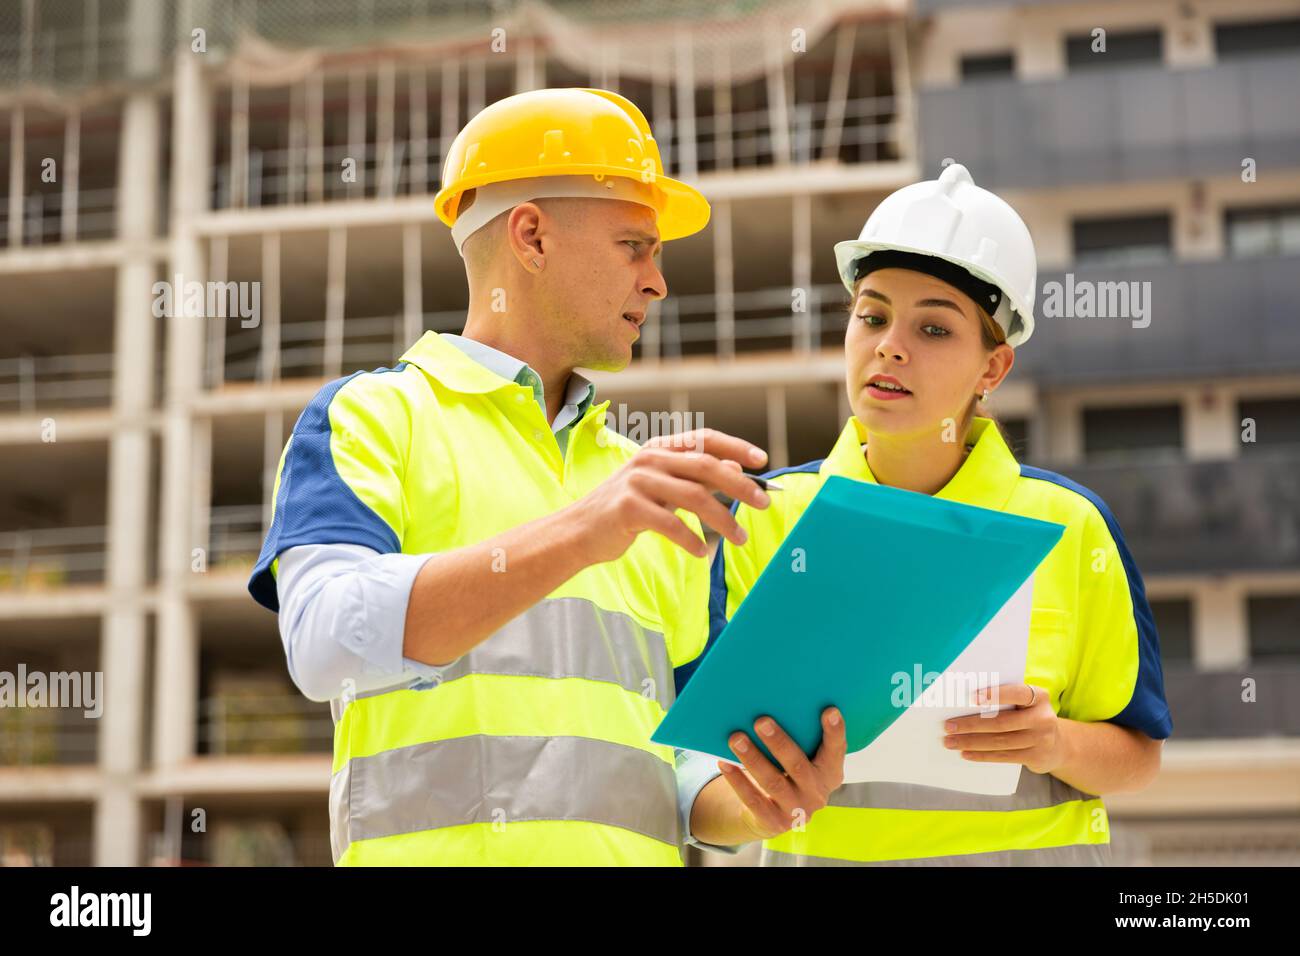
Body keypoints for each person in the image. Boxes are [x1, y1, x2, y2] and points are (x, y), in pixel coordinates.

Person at [247, 87, 844, 866]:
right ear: (531, 236)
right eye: (636, 246)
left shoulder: (649, 490)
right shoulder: (372, 417)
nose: (658, 282)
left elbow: (692, 770)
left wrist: (764, 799)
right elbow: (326, 643)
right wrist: (584, 530)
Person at [696, 163, 1171, 866]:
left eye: (935, 329)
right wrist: (765, 798)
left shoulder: (1070, 528)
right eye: (873, 315)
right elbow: (702, 773)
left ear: (993, 369)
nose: (891, 345)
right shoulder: (765, 516)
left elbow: (1139, 755)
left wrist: (1055, 743)